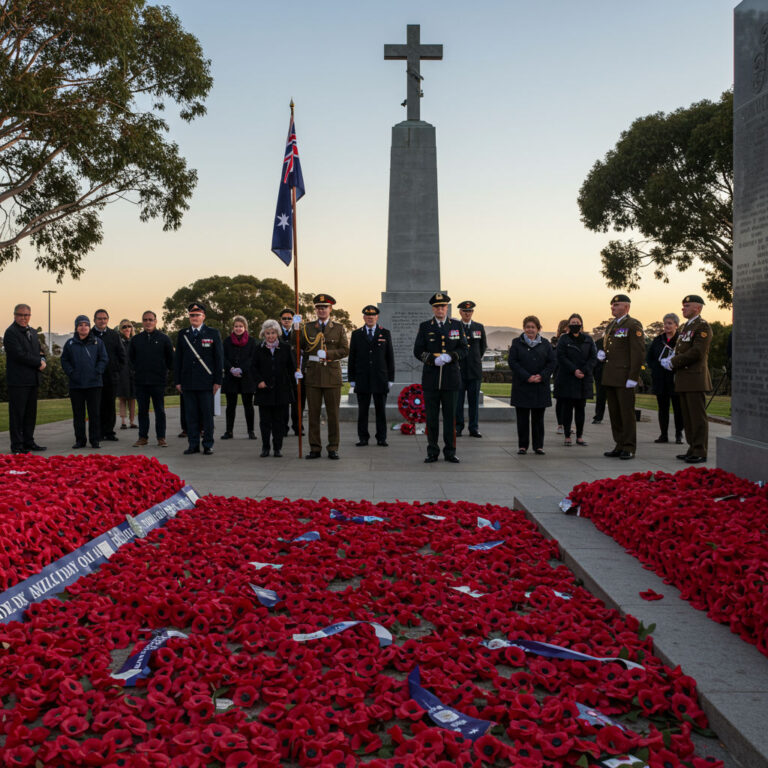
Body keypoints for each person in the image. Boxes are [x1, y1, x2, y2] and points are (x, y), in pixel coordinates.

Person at [413, 292, 468, 463]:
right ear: (433, 308)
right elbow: (418, 351)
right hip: (431, 378)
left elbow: (464, 349)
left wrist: (450, 356)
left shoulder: (457, 326)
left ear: (447, 308)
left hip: (451, 379)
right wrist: (432, 359)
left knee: (450, 418)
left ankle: (450, 452)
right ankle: (432, 451)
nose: (440, 309)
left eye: (443, 306)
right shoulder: (425, 326)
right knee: (432, 419)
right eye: (437, 306)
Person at [663, 295, 712, 463]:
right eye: (683, 305)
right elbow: (680, 348)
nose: (683, 308)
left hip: (695, 378)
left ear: (697, 308)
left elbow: (697, 352)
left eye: (687, 305)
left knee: (697, 416)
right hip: (683, 378)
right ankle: (692, 447)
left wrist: (674, 362)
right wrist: (672, 359)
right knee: (688, 416)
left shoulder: (702, 327)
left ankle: (700, 450)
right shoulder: (685, 327)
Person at [299, 294, 349, 460]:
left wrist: (329, 354)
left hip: (331, 374)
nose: (321, 310)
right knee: (313, 414)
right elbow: (297, 345)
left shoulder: (339, 328)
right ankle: (315, 447)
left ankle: (333, 447)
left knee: (333, 415)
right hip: (313, 374)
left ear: (330, 309)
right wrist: (295, 328)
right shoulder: (307, 327)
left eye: (324, 307)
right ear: (315, 309)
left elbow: (344, 350)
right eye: (319, 307)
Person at [174, 302, 223, 455]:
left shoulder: (212, 333)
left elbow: (218, 358)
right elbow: (178, 359)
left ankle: (208, 444)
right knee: (191, 415)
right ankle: (193, 444)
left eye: (197, 315)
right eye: (192, 315)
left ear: (204, 316)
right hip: (188, 382)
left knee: (207, 416)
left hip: (206, 382)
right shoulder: (183, 334)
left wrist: (218, 381)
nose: (194, 317)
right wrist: (178, 381)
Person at [600, 294, 645, 460]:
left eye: (616, 305)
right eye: (612, 305)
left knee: (626, 413)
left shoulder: (633, 325)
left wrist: (633, 376)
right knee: (614, 413)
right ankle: (619, 444)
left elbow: (638, 352)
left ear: (626, 307)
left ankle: (629, 446)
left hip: (625, 377)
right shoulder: (611, 325)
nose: (612, 307)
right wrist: (602, 354)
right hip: (611, 375)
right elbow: (613, 349)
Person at [507, 315, 556, 455]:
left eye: (533, 327)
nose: (530, 329)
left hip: (540, 386)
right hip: (522, 386)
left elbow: (552, 362)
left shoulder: (546, 344)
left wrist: (542, 376)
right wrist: (527, 377)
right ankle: (523, 446)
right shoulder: (516, 342)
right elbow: (513, 362)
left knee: (538, 420)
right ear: (524, 328)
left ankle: (538, 446)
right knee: (522, 419)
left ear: (538, 329)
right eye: (527, 327)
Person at [348, 305, 395, 447]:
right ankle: (363, 437)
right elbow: (352, 358)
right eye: (367, 316)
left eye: (373, 315)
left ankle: (381, 437)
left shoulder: (385, 333)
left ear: (377, 317)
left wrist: (391, 378)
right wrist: (352, 378)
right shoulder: (356, 334)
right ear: (363, 317)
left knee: (381, 410)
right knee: (363, 411)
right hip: (362, 378)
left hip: (380, 378)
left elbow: (390, 357)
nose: (370, 317)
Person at [3, 304, 46, 454]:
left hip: (33, 380)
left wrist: (43, 360)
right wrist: (38, 362)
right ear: (14, 315)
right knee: (17, 415)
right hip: (18, 381)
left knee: (30, 414)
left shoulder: (33, 332)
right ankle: (17, 445)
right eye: (21, 315)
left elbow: (40, 351)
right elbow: (19, 355)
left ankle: (29, 441)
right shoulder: (10, 333)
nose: (24, 318)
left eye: (26, 315)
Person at [61, 315, 108, 449]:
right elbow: (64, 360)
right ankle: (80, 440)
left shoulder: (98, 342)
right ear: (76, 327)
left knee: (94, 414)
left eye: (86, 325)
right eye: (80, 325)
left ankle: (95, 440)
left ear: (89, 327)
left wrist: (98, 371)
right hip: (76, 385)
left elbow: (104, 359)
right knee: (78, 415)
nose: (83, 327)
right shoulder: (70, 343)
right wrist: (71, 373)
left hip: (94, 384)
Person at [130, 310, 174, 448]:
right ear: (142, 322)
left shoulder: (164, 338)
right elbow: (130, 360)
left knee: (159, 410)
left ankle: (161, 437)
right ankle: (143, 437)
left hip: (158, 381)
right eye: (145, 320)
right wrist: (135, 372)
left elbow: (171, 360)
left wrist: (165, 373)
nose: (148, 322)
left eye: (150, 319)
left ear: (155, 321)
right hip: (141, 381)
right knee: (142, 410)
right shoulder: (136, 340)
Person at [252, 319, 295, 457]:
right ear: (263, 334)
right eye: (267, 333)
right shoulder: (258, 348)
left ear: (277, 333)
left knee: (279, 421)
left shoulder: (285, 348)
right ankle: (265, 447)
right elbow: (253, 367)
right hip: (264, 390)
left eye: (273, 333)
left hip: (281, 390)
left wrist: (296, 375)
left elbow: (291, 367)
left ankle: (277, 447)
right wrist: (259, 381)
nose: (270, 336)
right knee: (265, 422)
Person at [555, 313, 597, 446]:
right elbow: (561, 357)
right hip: (568, 378)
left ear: (581, 324)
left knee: (580, 409)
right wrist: (574, 370)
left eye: (577, 322)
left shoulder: (588, 340)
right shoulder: (563, 339)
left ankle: (579, 436)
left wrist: (583, 370)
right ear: (569, 325)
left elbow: (593, 357)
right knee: (567, 409)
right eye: (572, 323)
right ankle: (567, 435)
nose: (575, 325)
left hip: (583, 379)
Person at [646, 313, 684, 444]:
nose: (667, 326)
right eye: (665, 323)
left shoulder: (681, 340)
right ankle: (663, 435)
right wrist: (655, 367)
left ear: (676, 325)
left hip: (675, 378)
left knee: (678, 408)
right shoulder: (658, 340)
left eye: (670, 323)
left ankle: (679, 434)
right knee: (663, 408)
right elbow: (649, 357)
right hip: (660, 379)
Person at [92, 309, 126, 442]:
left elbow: (122, 355)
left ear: (108, 320)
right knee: (97, 405)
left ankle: (109, 432)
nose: (102, 321)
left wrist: (116, 370)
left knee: (110, 405)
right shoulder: (90, 334)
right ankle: (98, 432)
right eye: (99, 318)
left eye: (104, 318)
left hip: (111, 376)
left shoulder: (114, 335)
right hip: (95, 376)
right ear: (94, 320)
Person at [221, 316, 257, 440]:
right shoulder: (226, 341)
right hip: (231, 377)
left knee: (248, 405)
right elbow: (223, 357)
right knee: (230, 406)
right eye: (236, 326)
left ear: (245, 327)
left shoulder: (252, 341)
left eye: (240, 326)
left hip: (247, 377)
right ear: (233, 327)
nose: (238, 328)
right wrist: (231, 369)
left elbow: (252, 358)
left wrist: (241, 369)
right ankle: (229, 431)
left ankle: (251, 431)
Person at [455, 300, 487, 438]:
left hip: (474, 371)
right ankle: (458, 427)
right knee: (458, 402)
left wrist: (474, 358)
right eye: (464, 311)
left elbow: (482, 346)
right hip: (459, 370)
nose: (467, 313)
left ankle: (474, 428)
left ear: (472, 312)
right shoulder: (455, 327)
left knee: (474, 402)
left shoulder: (479, 327)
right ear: (460, 312)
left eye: (469, 311)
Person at [279, 307, 305, 436]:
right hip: (283, 372)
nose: (287, 321)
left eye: (289, 318)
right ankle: (283, 427)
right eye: (284, 318)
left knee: (298, 400)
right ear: (280, 320)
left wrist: (299, 326)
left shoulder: (298, 331)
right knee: (283, 401)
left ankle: (298, 425)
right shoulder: (277, 333)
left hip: (297, 370)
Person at [116, 320, 137, 430]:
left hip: (133, 372)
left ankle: (132, 421)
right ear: (121, 328)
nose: (127, 328)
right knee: (122, 398)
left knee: (132, 398)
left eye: (129, 326)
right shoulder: (118, 340)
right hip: (122, 372)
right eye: (124, 327)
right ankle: (123, 421)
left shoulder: (135, 340)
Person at [551, 319, 569, 434]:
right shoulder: (555, 342)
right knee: (561, 400)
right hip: (559, 373)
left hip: (570, 373)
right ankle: (560, 424)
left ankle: (566, 424)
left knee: (568, 402)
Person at [592, 334, 607, 424]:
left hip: (611, 372)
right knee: (600, 396)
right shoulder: (598, 343)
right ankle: (598, 416)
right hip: (600, 373)